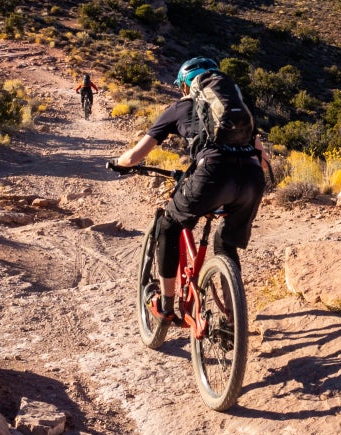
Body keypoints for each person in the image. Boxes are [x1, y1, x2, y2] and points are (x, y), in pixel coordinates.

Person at [114, 57, 267, 323]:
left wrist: (119, 162)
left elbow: (135, 156)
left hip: (212, 175)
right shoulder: (238, 110)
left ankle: (165, 305)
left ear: (185, 85)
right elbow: (262, 160)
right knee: (226, 244)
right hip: (252, 179)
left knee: (168, 225)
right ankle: (233, 321)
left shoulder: (180, 108)